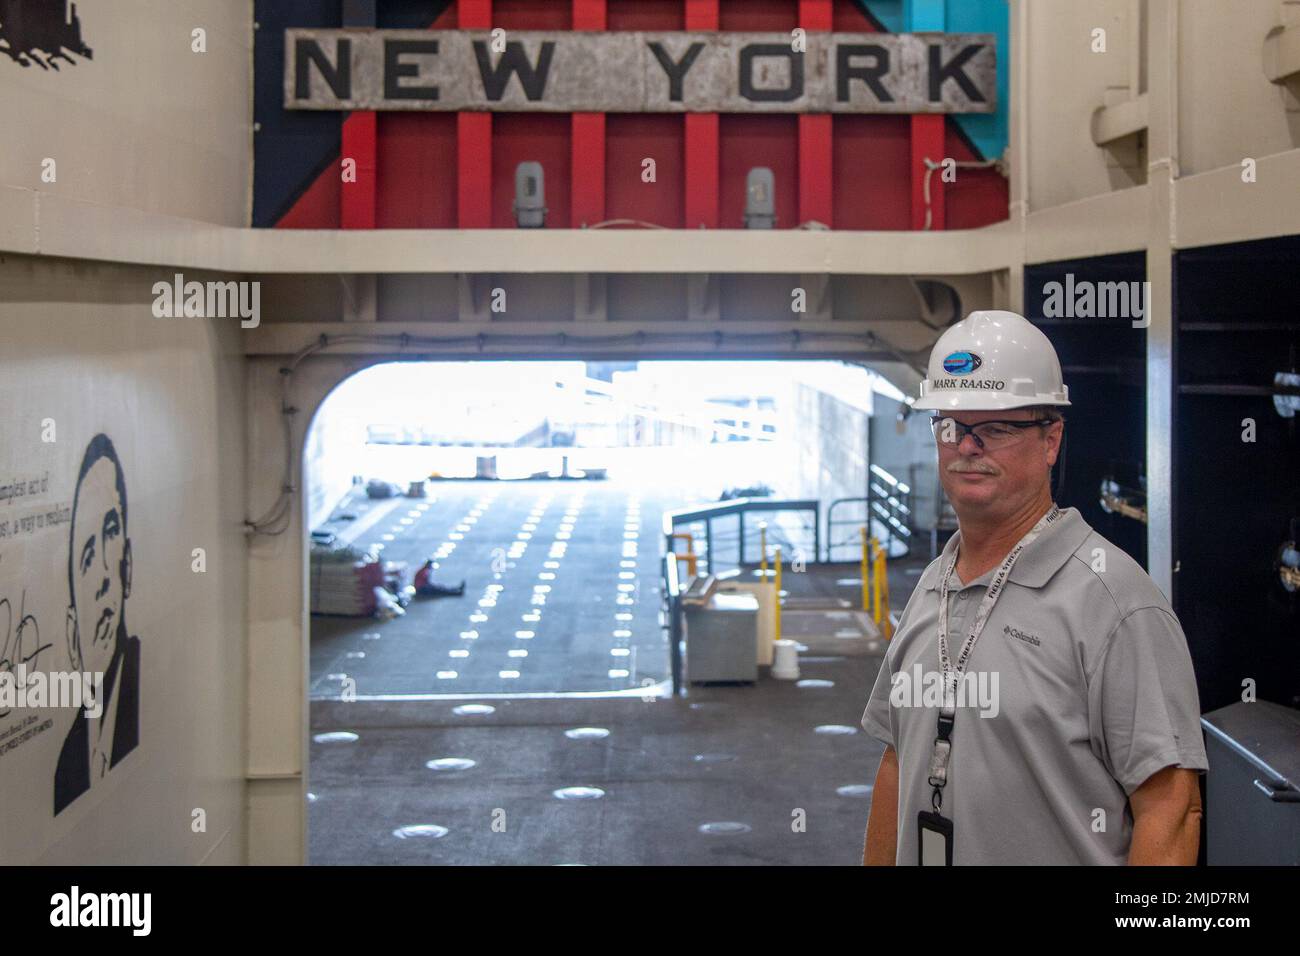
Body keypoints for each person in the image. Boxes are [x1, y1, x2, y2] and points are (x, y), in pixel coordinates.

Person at [861, 310, 1207, 865]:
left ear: (1051, 439)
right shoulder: (935, 582)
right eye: (951, 426)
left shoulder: (1115, 602)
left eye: (997, 428)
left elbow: (1171, 808)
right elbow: (898, 763)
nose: (968, 446)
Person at [56, 434, 141, 815]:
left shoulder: (140, 683)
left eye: (110, 534)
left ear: (129, 563)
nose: (104, 574)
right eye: (88, 557)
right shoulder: (66, 767)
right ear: (72, 618)